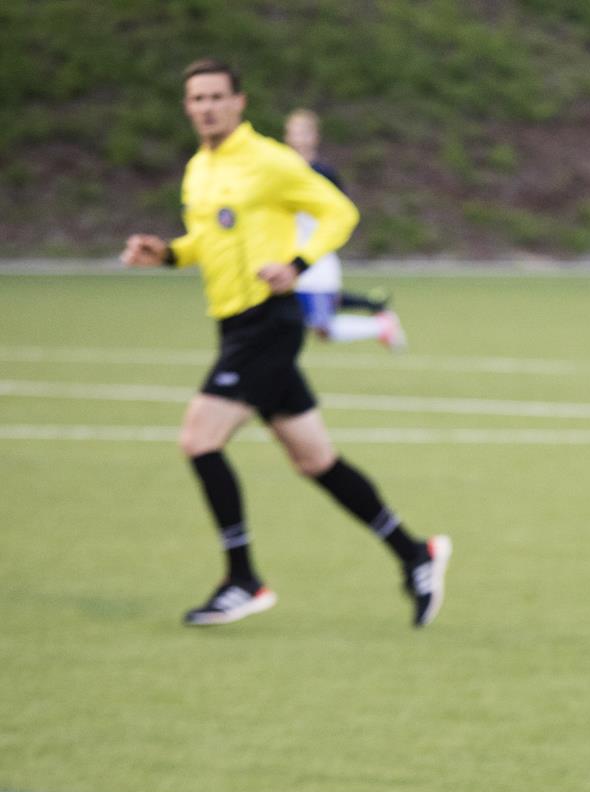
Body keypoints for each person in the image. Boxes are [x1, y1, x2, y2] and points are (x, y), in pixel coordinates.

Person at [120, 58, 450, 628]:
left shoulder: (269, 161)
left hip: (268, 322)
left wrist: (297, 263)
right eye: (196, 99)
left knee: (200, 440)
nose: (206, 108)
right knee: (315, 460)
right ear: (187, 107)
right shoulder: (199, 169)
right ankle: (415, 554)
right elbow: (208, 239)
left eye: (217, 97)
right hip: (233, 324)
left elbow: (339, 213)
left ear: (239, 102)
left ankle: (242, 579)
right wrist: (170, 253)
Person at [282, 108, 405, 350]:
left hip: (315, 258)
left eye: (304, 132)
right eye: (294, 132)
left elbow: (342, 214)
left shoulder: (324, 174)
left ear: (315, 136)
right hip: (286, 255)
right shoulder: (279, 172)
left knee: (322, 327)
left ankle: (381, 326)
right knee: (289, 319)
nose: (299, 139)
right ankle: (374, 307)